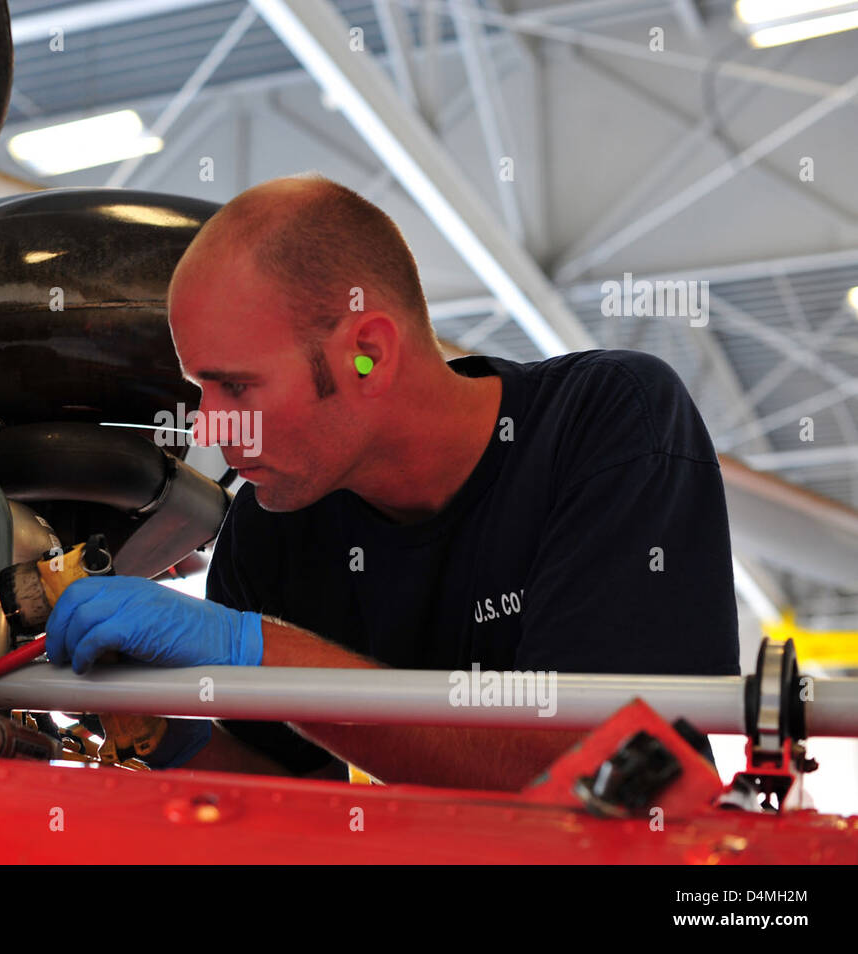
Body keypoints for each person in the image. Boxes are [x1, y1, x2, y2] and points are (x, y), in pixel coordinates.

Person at [44, 173, 740, 787]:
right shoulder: (271, 530)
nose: (210, 431)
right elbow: (302, 807)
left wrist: (258, 654)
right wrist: (162, 735)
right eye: (201, 388)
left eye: (235, 387)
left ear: (368, 354)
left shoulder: (605, 425)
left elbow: (603, 776)